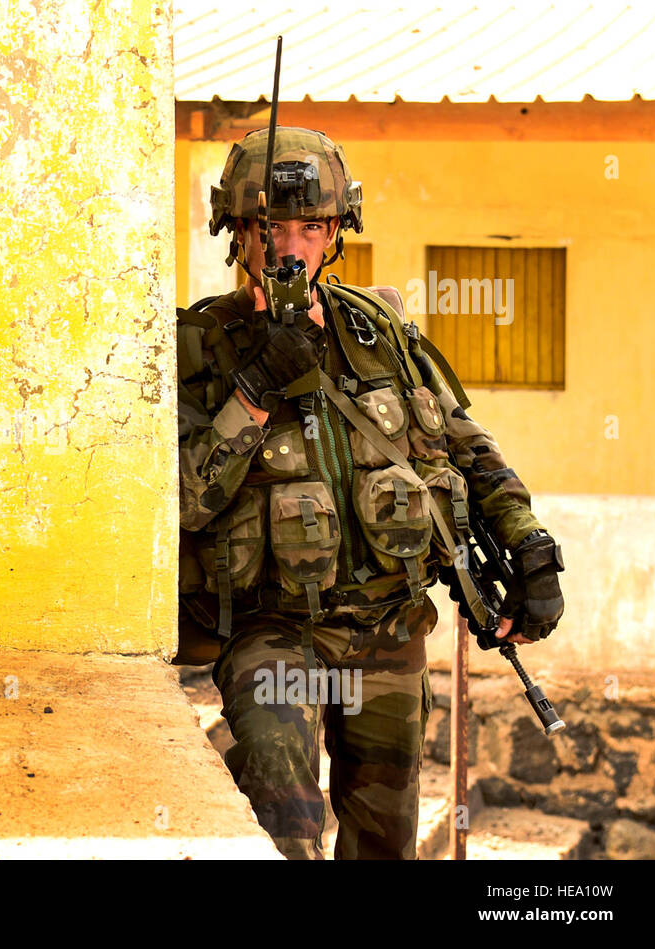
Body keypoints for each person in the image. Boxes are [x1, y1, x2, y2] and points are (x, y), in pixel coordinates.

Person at [176, 127, 565, 859]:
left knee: (384, 846)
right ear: (238, 233)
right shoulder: (200, 344)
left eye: (309, 226)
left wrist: (528, 541)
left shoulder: (377, 328)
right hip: (269, 631)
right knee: (281, 832)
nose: (289, 246)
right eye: (270, 227)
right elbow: (185, 501)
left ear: (335, 233)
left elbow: (461, 443)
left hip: (388, 630)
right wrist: (255, 389)